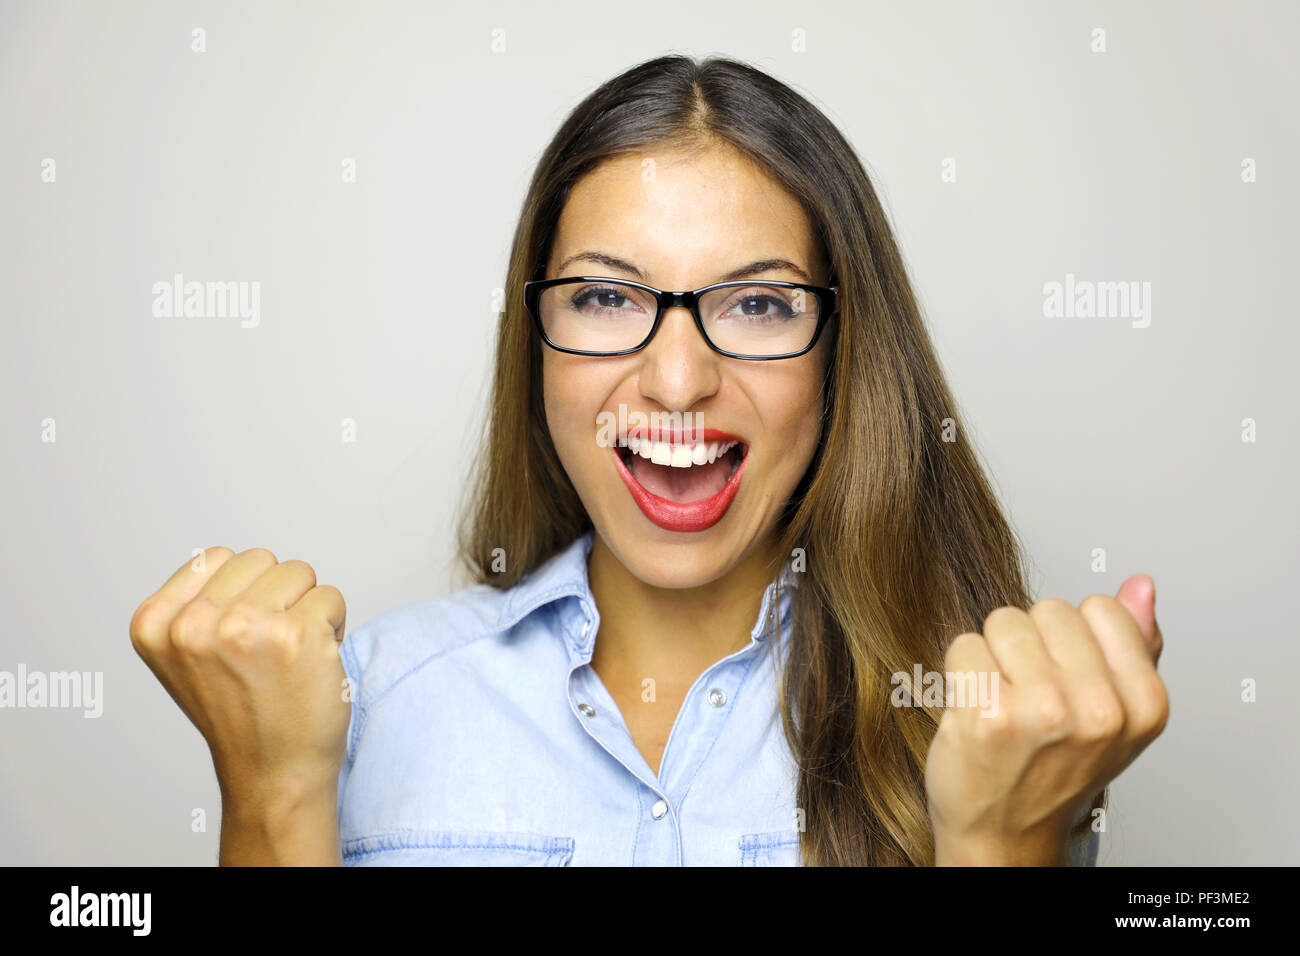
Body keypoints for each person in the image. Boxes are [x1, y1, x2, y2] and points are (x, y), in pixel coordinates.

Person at [128, 54, 1168, 866]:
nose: (677, 379)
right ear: (535, 344)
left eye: (758, 303)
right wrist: (269, 800)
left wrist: (1001, 842)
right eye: (605, 297)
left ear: (847, 355)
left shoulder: (988, 727)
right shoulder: (355, 703)